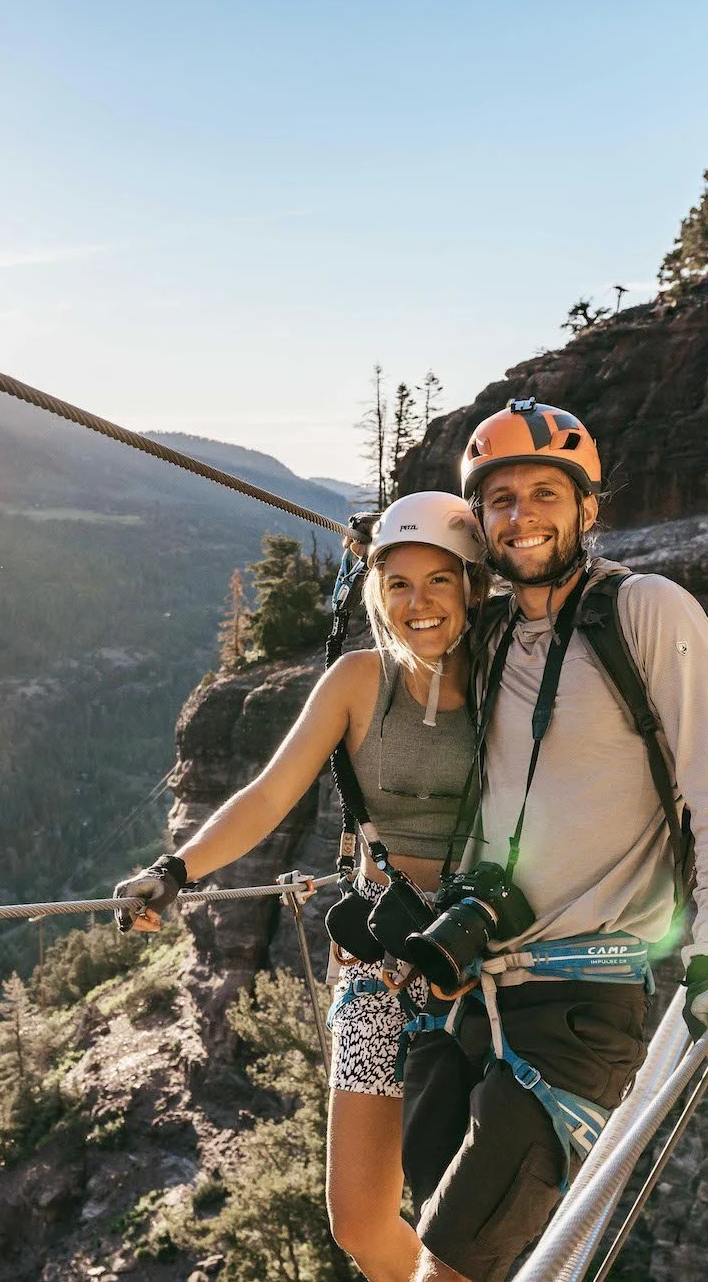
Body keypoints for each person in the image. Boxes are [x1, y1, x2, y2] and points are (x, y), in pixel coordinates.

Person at [398, 398, 708, 1282]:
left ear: (587, 508)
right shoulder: (487, 634)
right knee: (428, 1235)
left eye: (543, 493)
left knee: (448, 1266)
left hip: (582, 1003)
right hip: (469, 992)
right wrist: (391, 567)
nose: (521, 516)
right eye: (499, 500)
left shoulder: (645, 613)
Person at [114, 491, 488, 1282]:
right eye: (398, 584)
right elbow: (267, 793)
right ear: (377, 595)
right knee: (359, 1220)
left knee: (470, 1218)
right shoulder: (359, 679)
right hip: (380, 966)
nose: (418, 603)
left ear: (473, 587)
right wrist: (175, 870)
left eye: (438, 582)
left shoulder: (509, 680)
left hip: (483, 968)